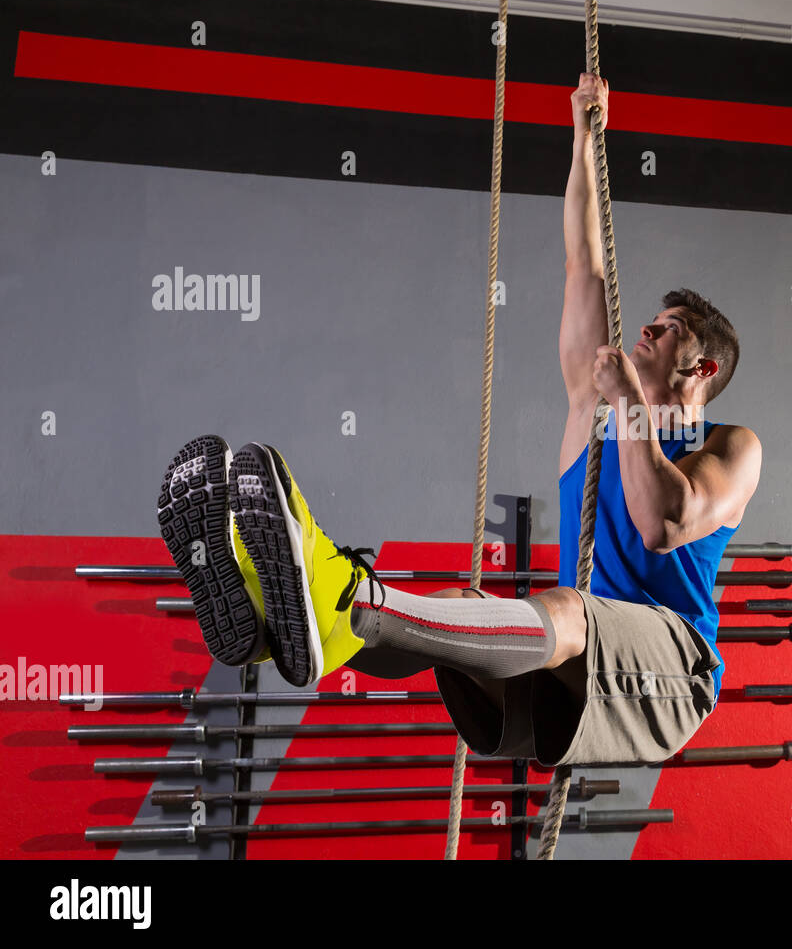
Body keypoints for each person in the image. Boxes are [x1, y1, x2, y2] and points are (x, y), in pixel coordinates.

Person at [155, 73, 761, 766]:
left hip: (670, 678)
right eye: (651, 320)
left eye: (670, 328)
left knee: (566, 611)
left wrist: (627, 403)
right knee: (462, 603)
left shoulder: (729, 445)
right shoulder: (592, 413)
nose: (647, 330)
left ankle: (347, 595)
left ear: (704, 369)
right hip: (573, 675)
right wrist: (583, 138)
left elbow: (666, 524)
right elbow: (583, 267)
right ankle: (276, 621)